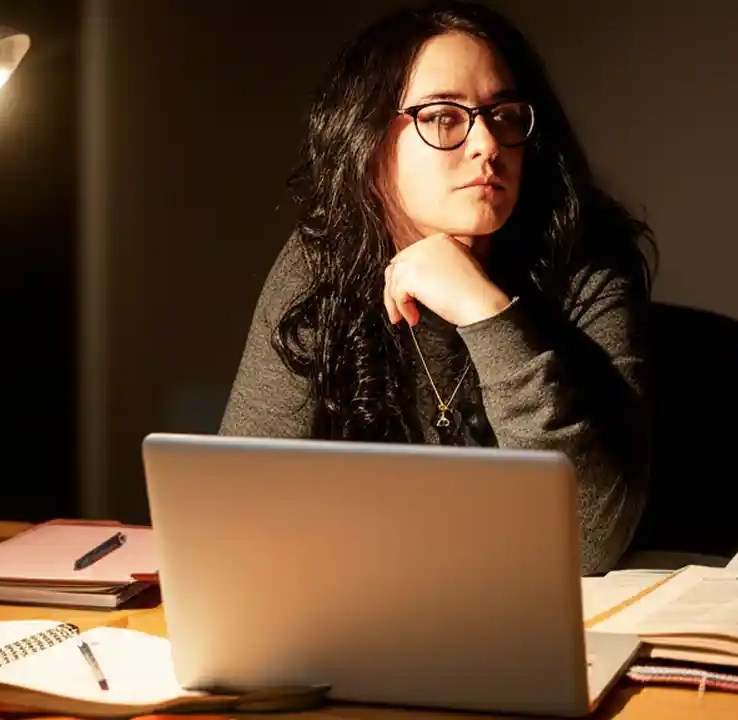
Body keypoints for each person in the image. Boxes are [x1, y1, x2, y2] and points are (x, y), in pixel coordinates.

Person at [219, 0, 657, 575]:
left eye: (503, 115)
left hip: (551, 616)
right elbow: (237, 507)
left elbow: (590, 541)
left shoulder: (586, 268)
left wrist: (486, 312)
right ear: (369, 139)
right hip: (370, 608)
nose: (487, 145)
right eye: (445, 117)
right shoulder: (321, 262)